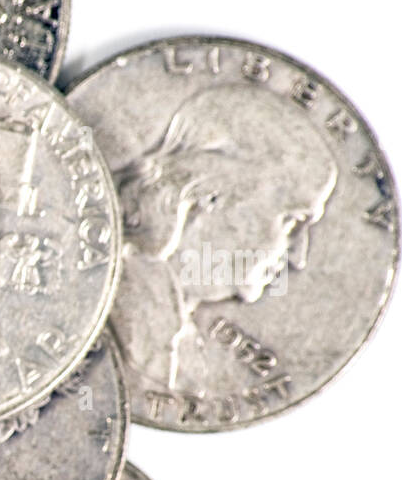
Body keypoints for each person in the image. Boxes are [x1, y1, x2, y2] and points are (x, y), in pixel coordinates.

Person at [113, 84, 337, 394]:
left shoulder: (176, 337)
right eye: (290, 221)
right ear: (208, 196)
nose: (298, 255)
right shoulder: (119, 316)